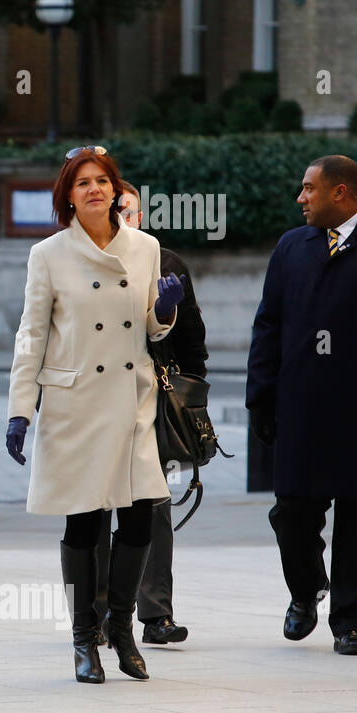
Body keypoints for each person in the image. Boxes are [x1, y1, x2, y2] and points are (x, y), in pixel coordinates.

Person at [5, 147, 185, 684]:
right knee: (83, 522)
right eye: (82, 183)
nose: (94, 189)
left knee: (138, 518)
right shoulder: (49, 254)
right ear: (67, 195)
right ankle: (84, 641)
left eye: (102, 180)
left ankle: (123, 629)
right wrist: (20, 410)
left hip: (132, 403)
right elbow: (31, 334)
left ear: (115, 189)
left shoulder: (145, 247)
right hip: (75, 405)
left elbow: (152, 328)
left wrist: (167, 311)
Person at [247, 154, 357, 656]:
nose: (300, 198)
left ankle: (349, 621)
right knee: (292, 513)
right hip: (300, 407)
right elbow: (268, 324)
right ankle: (304, 593)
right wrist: (260, 397)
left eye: (308, 189)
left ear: (340, 193)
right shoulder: (291, 247)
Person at [88, 180, 208, 647]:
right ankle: (93, 615)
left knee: (152, 506)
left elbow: (193, 335)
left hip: (151, 401)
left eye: (130, 210)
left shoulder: (166, 262)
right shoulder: (73, 260)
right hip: (92, 402)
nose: (123, 217)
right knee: (91, 509)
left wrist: (193, 397)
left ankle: (155, 614)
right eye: (116, 210)